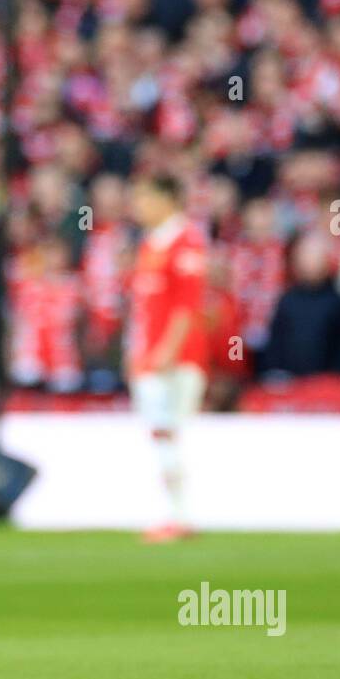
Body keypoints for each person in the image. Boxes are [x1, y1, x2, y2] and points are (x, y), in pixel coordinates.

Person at [125, 174, 207, 543]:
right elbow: (145, 307)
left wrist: (168, 350)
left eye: (144, 197)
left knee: (167, 432)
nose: (138, 206)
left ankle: (180, 515)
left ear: (167, 199)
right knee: (162, 434)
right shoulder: (152, 243)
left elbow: (188, 304)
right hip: (150, 357)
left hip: (174, 359)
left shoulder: (185, 240)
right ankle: (174, 513)